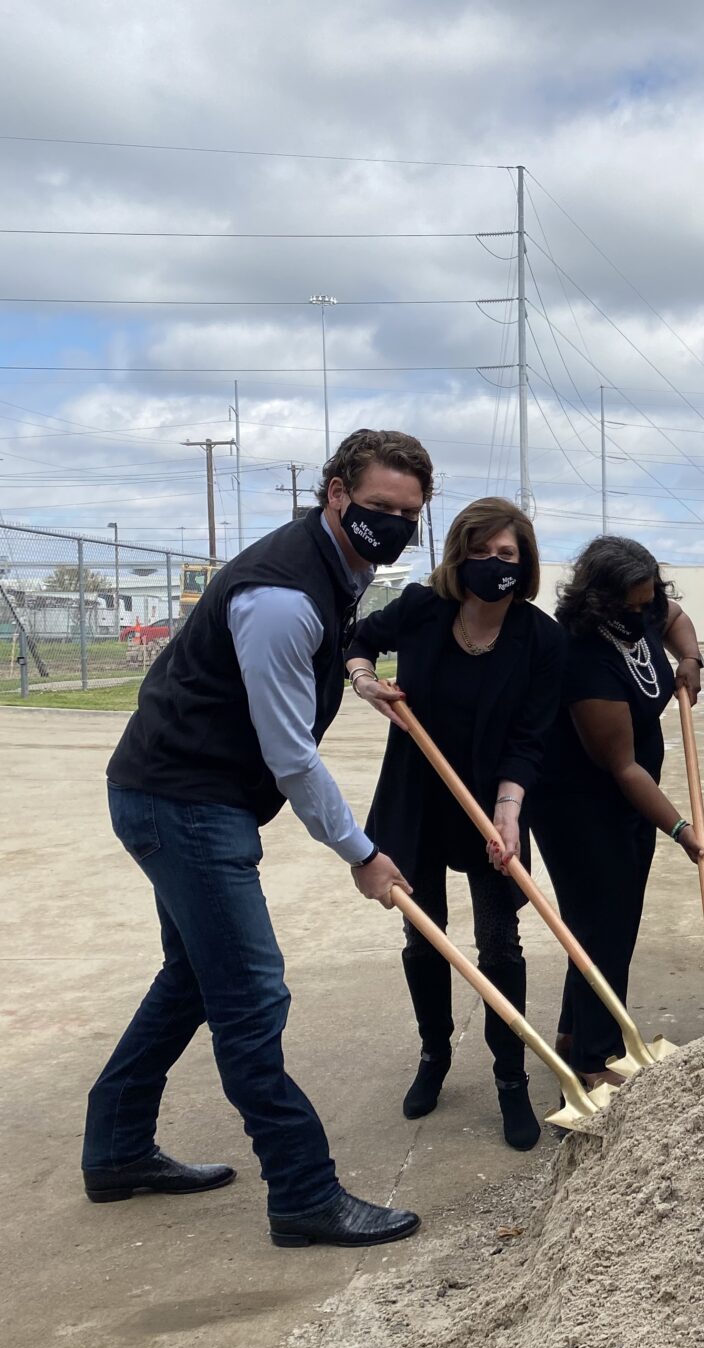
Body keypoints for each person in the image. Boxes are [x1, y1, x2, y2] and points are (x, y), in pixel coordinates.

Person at [90, 428, 430, 1249]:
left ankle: (117, 1149)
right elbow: (291, 756)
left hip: (180, 792)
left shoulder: (337, 571)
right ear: (336, 494)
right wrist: (361, 853)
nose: (394, 525)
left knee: (193, 979)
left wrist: (358, 677)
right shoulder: (282, 597)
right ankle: (304, 1194)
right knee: (251, 993)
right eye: (378, 506)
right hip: (183, 802)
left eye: (409, 514)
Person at [344, 498, 562, 1151]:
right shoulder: (423, 607)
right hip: (417, 800)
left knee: (500, 946)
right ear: (458, 555)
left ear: (524, 562)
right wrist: (364, 679)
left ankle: (510, 1078)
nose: (493, 563)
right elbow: (359, 639)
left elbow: (531, 736)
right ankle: (434, 1054)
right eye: (480, 551)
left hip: (492, 805)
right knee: (424, 938)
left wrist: (509, 810)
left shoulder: (540, 638)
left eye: (506, 554)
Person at [529, 537, 704, 1089]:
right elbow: (623, 766)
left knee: (611, 920)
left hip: (630, 798)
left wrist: (690, 660)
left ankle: (574, 1033)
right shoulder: (582, 654)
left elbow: (674, 618)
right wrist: (681, 828)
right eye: (631, 606)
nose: (642, 613)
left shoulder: (643, 608)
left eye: (647, 600)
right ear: (600, 600)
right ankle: (592, 1059)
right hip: (578, 803)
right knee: (602, 923)